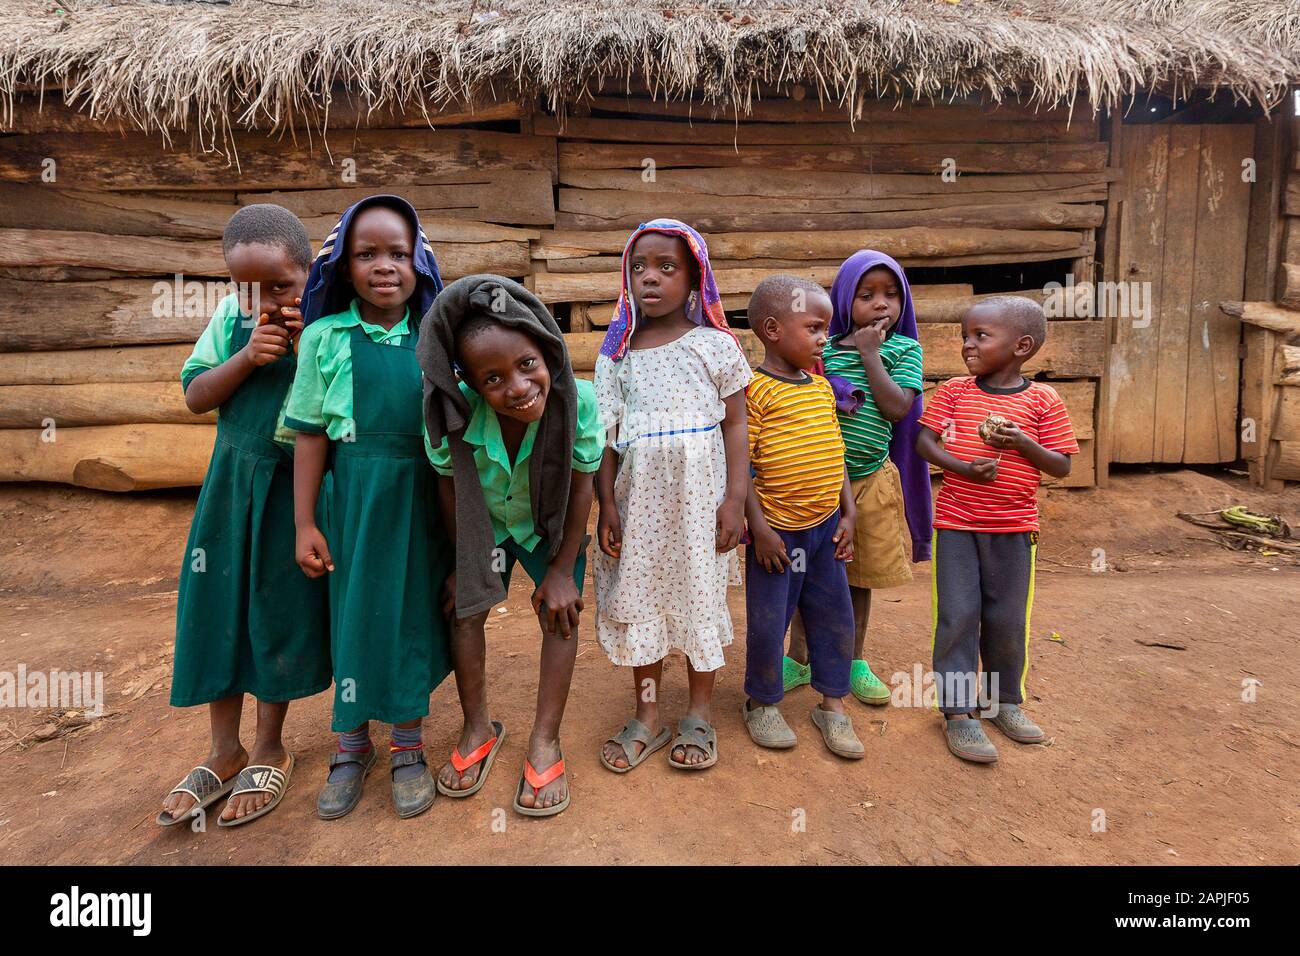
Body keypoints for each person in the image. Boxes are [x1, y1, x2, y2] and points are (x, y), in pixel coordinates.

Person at [160, 203, 328, 829]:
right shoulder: (232, 322)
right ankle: (221, 748)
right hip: (231, 488)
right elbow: (196, 394)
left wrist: (309, 339)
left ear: (310, 273)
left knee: (277, 607)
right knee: (219, 606)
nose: (264, 301)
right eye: (247, 288)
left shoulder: (330, 324)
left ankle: (268, 745)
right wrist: (248, 358)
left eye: (280, 286)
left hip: (293, 492)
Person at [286, 195, 452, 818]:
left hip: (419, 498)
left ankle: (408, 747)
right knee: (352, 614)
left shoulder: (436, 336)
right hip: (352, 499)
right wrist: (305, 521)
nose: (385, 267)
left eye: (399, 254)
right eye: (367, 255)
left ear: (421, 265)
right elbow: (309, 433)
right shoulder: (327, 337)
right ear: (343, 267)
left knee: (411, 612)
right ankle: (351, 746)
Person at [419, 275, 602, 817]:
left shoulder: (579, 402)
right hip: (487, 525)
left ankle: (545, 738)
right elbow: (450, 492)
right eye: (493, 378)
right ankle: (478, 725)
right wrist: (464, 565)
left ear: (547, 348)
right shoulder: (448, 417)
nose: (518, 387)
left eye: (527, 365)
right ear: (469, 384)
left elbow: (582, 488)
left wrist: (563, 569)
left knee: (559, 613)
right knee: (465, 610)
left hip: (549, 526)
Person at [593, 219, 751, 773]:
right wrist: (606, 504)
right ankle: (649, 716)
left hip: (700, 505)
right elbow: (604, 436)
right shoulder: (616, 357)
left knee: (699, 599)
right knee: (642, 600)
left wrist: (734, 498)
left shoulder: (715, 346)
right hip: (637, 508)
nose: (650, 279)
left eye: (666, 267)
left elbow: (736, 426)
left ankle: (700, 714)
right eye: (638, 268)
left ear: (695, 277)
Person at [915, 296, 1078, 763]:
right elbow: (925, 442)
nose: (968, 345)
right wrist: (962, 468)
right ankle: (959, 713)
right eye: (965, 335)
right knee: (958, 616)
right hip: (957, 528)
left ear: (1021, 346)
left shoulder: (1043, 399)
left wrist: (1024, 442)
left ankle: (1003, 702)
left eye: (980, 336)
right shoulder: (954, 392)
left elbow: (1062, 465)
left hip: (1014, 529)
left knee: (1008, 620)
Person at [741, 275, 862, 758]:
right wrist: (761, 529)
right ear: (772, 329)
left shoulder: (820, 387)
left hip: (827, 529)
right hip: (778, 535)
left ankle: (832, 704)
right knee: (770, 621)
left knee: (835, 618)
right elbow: (742, 469)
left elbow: (837, 455)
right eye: (814, 327)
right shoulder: (754, 391)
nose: (823, 338)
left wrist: (848, 513)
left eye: (826, 329)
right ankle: (762, 702)